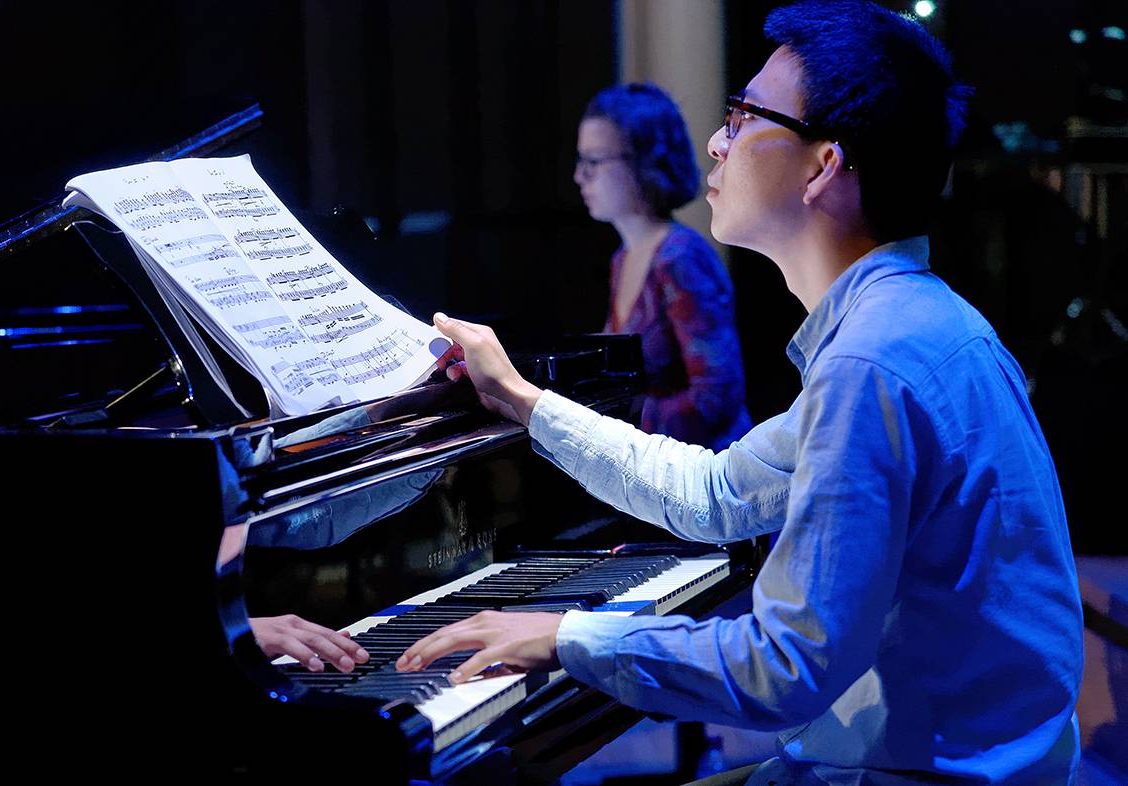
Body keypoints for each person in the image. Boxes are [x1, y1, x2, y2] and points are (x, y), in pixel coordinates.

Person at [396, 2, 1085, 783]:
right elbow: (715, 490)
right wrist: (521, 399)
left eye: (742, 114)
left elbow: (787, 666)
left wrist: (567, 635)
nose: (717, 142)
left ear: (823, 165)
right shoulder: (910, 323)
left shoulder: (873, 361)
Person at [576, 83, 752, 448]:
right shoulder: (622, 258)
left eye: (594, 161)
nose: (581, 176)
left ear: (643, 162)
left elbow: (716, 398)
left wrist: (611, 418)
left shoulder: (680, 257)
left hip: (709, 475)